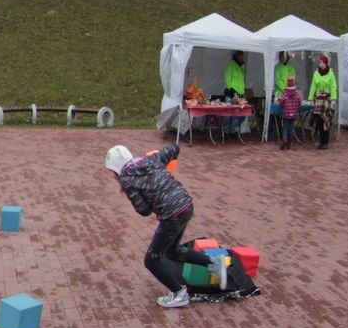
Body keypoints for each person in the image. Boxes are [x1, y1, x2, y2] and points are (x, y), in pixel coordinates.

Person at [105, 142, 226, 308]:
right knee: (172, 251)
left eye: (112, 172)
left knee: (151, 260)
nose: (114, 176)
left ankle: (179, 293)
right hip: (186, 204)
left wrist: (146, 197)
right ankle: (214, 263)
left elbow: (144, 210)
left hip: (172, 214)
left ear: (116, 169)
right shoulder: (150, 159)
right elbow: (174, 148)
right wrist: (168, 164)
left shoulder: (126, 180)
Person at [308, 54, 337, 150]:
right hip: (318, 100)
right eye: (319, 62)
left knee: (326, 121)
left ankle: (326, 142)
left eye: (322, 63)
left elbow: (333, 87)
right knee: (319, 122)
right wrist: (310, 98)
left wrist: (333, 100)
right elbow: (313, 86)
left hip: (326, 101)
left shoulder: (331, 74)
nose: (320, 64)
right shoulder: (316, 73)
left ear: (325, 63)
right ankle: (321, 142)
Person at [222, 50, 248, 138]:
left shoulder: (241, 66)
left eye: (243, 56)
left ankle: (233, 131)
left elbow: (242, 81)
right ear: (237, 56)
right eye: (241, 56)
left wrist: (243, 93)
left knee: (235, 113)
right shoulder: (231, 64)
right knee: (228, 114)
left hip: (239, 94)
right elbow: (228, 79)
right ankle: (225, 131)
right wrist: (233, 93)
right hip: (231, 93)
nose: (242, 58)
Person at [278, 76, 302, 151]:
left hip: (286, 113)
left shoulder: (285, 93)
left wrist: (282, 105)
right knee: (291, 127)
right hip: (294, 114)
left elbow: (281, 102)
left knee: (285, 127)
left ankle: (284, 140)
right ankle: (289, 144)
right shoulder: (297, 93)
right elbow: (299, 102)